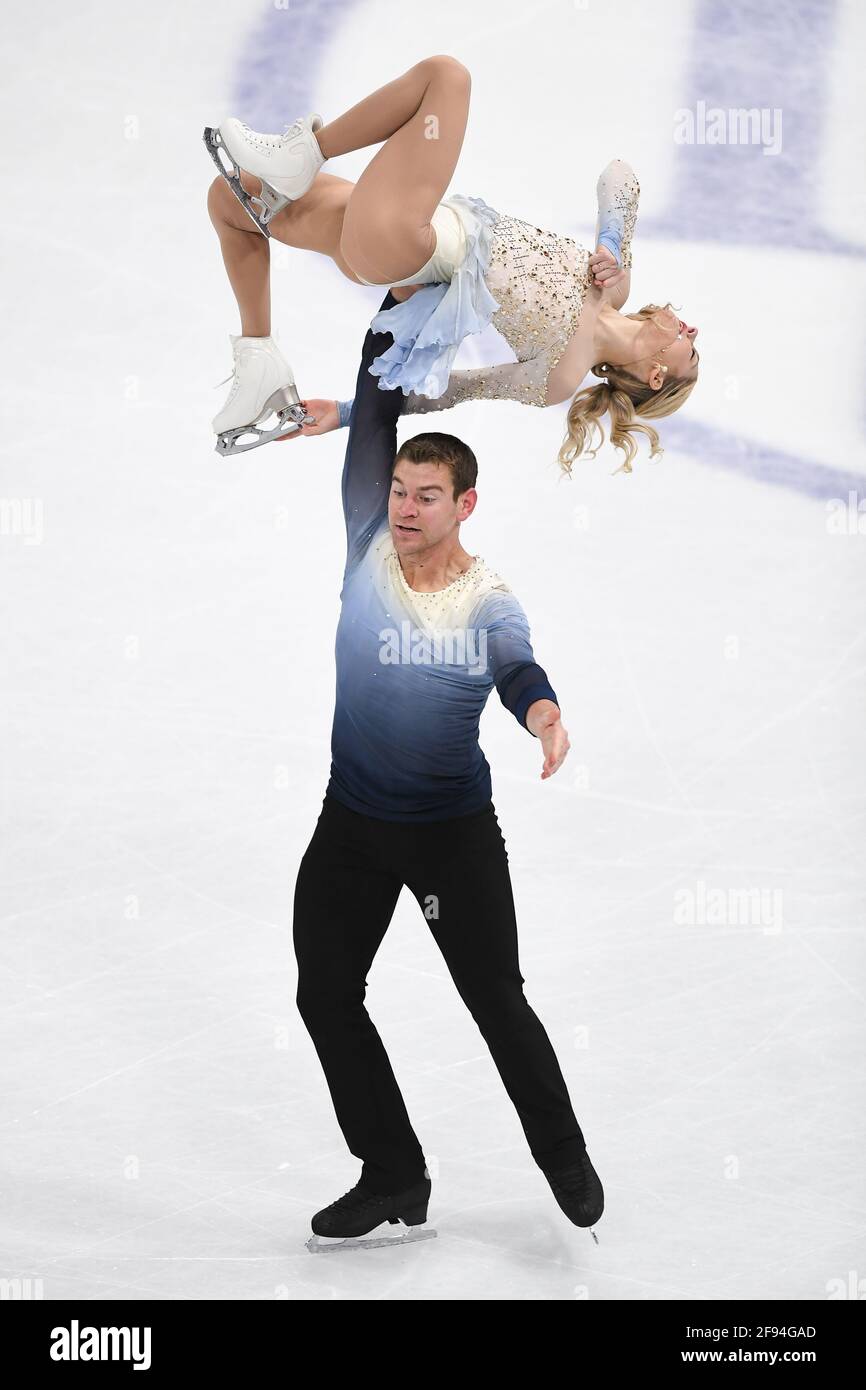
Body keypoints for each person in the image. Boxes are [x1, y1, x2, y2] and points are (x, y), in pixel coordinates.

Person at [294, 300, 604, 1251]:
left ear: (464, 504)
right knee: (324, 992)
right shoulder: (364, 546)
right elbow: (377, 398)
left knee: (494, 997)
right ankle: (392, 1171)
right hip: (351, 823)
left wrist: (544, 715)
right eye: (398, 487)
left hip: (448, 834)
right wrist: (397, 293)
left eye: (427, 494)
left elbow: (517, 670)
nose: (404, 504)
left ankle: (563, 1156)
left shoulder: (487, 599)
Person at [205, 54, 699, 470]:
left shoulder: (560, 377)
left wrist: (343, 411)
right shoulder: (613, 285)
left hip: (401, 243)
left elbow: (452, 392)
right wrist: (610, 242)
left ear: (657, 374)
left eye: (691, 353)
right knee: (231, 202)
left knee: (447, 78)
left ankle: (303, 153)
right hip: (395, 222)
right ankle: (259, 360)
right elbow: (620, 176)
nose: (692, 334)